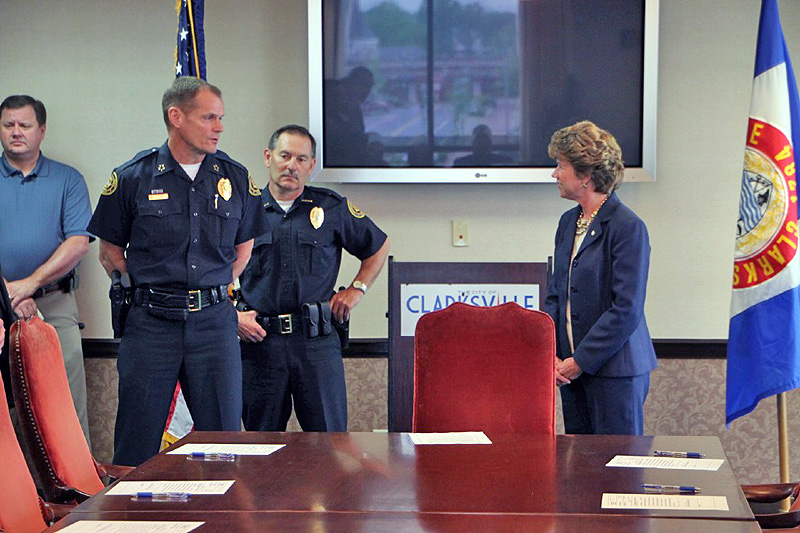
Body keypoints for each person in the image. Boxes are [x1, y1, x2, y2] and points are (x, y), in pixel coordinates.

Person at [88, 76, 265, 465]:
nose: (219, 127)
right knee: (136, 443)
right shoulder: (132, 177)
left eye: (220, 118)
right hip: (151, 325)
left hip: (214, 325)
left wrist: (209, 289)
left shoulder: (235, 177)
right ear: (176, 117)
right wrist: (152, 289)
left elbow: (244, 249)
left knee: (224, 446)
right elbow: (110, 252)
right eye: (209, 117)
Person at [237, 124, 390, 432]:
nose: (292, 165)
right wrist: (232, 315)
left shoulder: (331, 207)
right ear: (268, 157)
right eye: (284, 156)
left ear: (311, 165)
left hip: (316, 342)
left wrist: (357, 289)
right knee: (260, 443)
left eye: (301, 159)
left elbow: (378, 246)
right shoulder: (243, 209)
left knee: (329, 442)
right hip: (260, 343)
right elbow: (214, 266)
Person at [544, 120, 656, 435]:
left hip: (615, 373)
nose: (554, 174)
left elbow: (626, 308)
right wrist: (552, 354)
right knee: (579, 462)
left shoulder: (627, 227)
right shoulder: (568, 222)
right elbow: (556, 294)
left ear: (586, 175)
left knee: (616, 462)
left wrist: (579, 361)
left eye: (561, 166)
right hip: (570, 372)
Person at [0, 95, 93, 445]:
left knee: (66, 404)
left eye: (24, 125)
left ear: (41, 130)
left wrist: (28, 285)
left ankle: (76, 478)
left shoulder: (68, 179)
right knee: (5, 413)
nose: (16, 132)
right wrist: (7, 292)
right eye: (8, 125)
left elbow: (79, 242)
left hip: (54, 305)